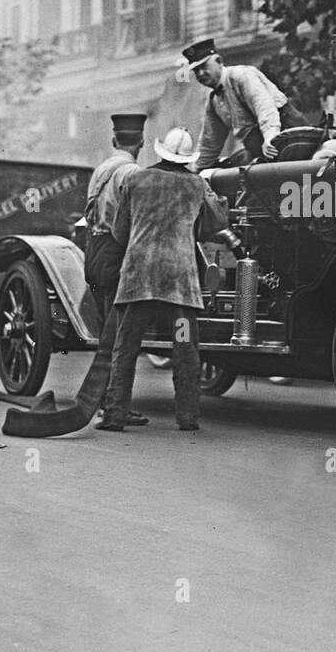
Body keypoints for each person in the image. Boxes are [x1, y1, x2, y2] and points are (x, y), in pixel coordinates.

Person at [98, 127, 235, 432]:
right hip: (179, 288)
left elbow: (120, 232)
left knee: (126, 347)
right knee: (185, 349)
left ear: (160, 152)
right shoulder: (197, 185)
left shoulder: (135, 179)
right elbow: (217, 222)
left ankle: (115, 414)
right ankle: (187, 417)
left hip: (138, 281)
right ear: (187, 158)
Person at [180, 38, 312, 172]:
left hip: (290, 139)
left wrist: (271, 138)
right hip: (264, 152)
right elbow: (209, 143)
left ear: (219, 61)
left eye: (204, 67)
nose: (201, 74)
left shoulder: (241, 75)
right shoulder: (213, 100)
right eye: (196, 71)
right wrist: (195, 172)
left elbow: (264, 107)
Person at [84, 113, 146, 326]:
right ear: (142, 142)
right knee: (116, 326)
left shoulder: (100, 171)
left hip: (94, 250)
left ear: (113, 141)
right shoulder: (134, 172)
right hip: (117, 252)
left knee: (104, 324)